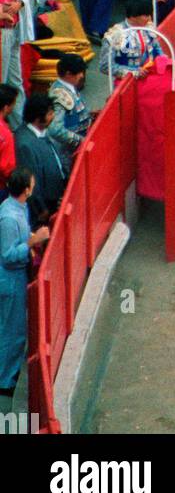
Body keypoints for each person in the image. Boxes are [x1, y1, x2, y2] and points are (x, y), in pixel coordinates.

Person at [0, 166, 49, 397]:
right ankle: (5, 381)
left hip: (15, 277)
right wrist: (31, 243)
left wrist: (28, 239)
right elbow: (8, 256)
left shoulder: (17, 207)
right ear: (27, 190)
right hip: (10, 280)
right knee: (12, 330)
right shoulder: (9, 217)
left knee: (13, 329)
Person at [14, 94, 66, 222]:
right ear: (38, 118)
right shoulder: (25, 144)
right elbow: (31, 181)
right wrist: (41, 209)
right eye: (49, 114)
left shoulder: (40, 131)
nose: (53, 116)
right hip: (46, 205)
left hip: (56, 195)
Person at [46, 54, 91, 172]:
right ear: (68, 74)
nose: (82, 75)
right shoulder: (60, 95)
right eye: (79, 72)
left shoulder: (69, 87)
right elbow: (55, 129)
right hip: (67, 152)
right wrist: (80, 140)